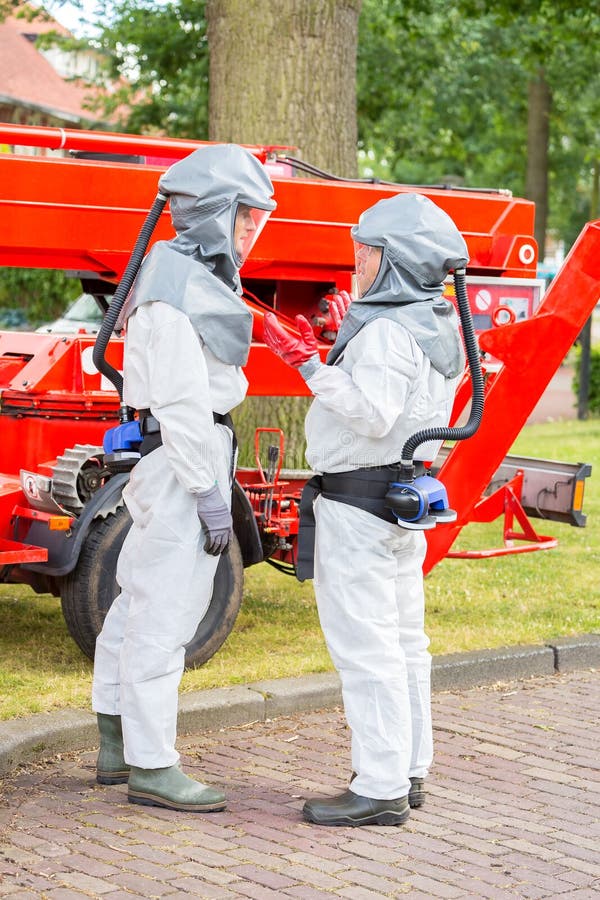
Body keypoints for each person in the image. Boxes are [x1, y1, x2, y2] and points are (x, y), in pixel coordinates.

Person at [263, 192, 468, 826]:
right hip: (402, 500)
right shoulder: (438, 325)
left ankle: (378, 787)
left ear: (395, 261)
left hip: (359, 504)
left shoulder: (384, 332)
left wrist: (308, 366)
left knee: (366, 645)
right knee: (406, 642)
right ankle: (408, 771)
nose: (357, 264)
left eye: (366, 254)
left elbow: (373, 413)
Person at [92, 145, 275, 812]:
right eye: (245, 218)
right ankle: (151, 765)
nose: (253, 232)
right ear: (212, 215)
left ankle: (117, 744)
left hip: (173, 461)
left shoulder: (180, 279)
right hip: (182, 463)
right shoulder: (175, 295)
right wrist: (207, 493)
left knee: (136, 604)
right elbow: (184, 407)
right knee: (164, 618)